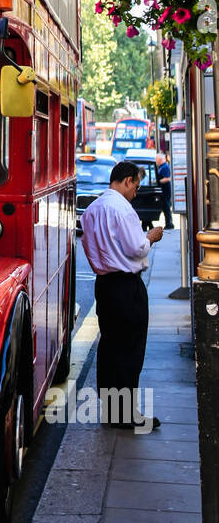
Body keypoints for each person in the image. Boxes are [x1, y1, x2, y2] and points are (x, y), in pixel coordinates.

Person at [80, 161, 163, 430]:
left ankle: (113, 412)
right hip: (127, 287)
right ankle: (126, 414)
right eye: (136, 187)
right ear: (127, 180)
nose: (136, 193)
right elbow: (137, 248)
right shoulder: (122, 209)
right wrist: (151, 236)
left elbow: (88, 247)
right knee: (129, 349)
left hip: (104, 286)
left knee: (110, 349)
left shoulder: (93, 209)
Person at [155, 149, 174, 229]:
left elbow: (168, 178)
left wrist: (158, 181)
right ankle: (168, 223)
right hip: (164, 191)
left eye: (156, 160)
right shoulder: (162, 167)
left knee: (167, 208)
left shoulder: (165, 167)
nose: (156, 161)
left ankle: (169, 224)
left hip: (166, 191)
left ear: (160, 160)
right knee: (165, 208)